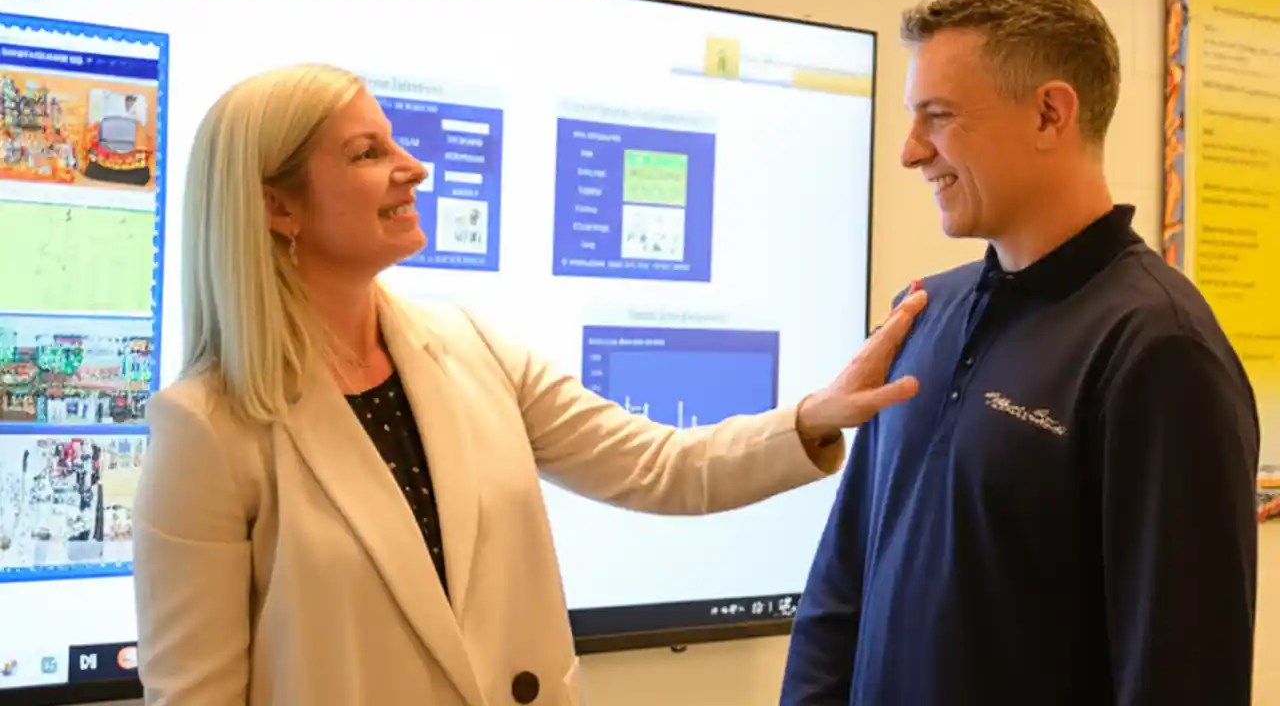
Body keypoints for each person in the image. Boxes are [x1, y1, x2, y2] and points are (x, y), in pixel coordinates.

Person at [130, 63, 929, 706]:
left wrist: (813, 418)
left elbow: (663, 465)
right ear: (276, 204)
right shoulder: (207, 427)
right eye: (367, 153)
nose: (414, 167)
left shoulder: (471, 347)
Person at [779, 0, 1260, 704]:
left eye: (939, 118)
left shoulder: (1158, 350)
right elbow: (839, 594)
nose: (912, 152)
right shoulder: (920, 313)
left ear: (1049, 113)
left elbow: (1181, 672)